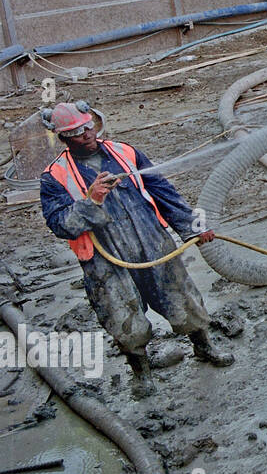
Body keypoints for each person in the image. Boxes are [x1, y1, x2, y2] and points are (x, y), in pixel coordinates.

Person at [40, 103, 234, 382]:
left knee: (183, 298)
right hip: (105, 257)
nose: (86, 134)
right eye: (76, 132)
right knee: (123, 317)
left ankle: (204, 348)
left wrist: (193, 227)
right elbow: (60, 225)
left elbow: (162, 191)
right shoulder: (55, 176)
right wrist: (91, 200)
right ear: (63, 139)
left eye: (88, 126)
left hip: (152, 241)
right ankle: (141, 375)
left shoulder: (124, 153)